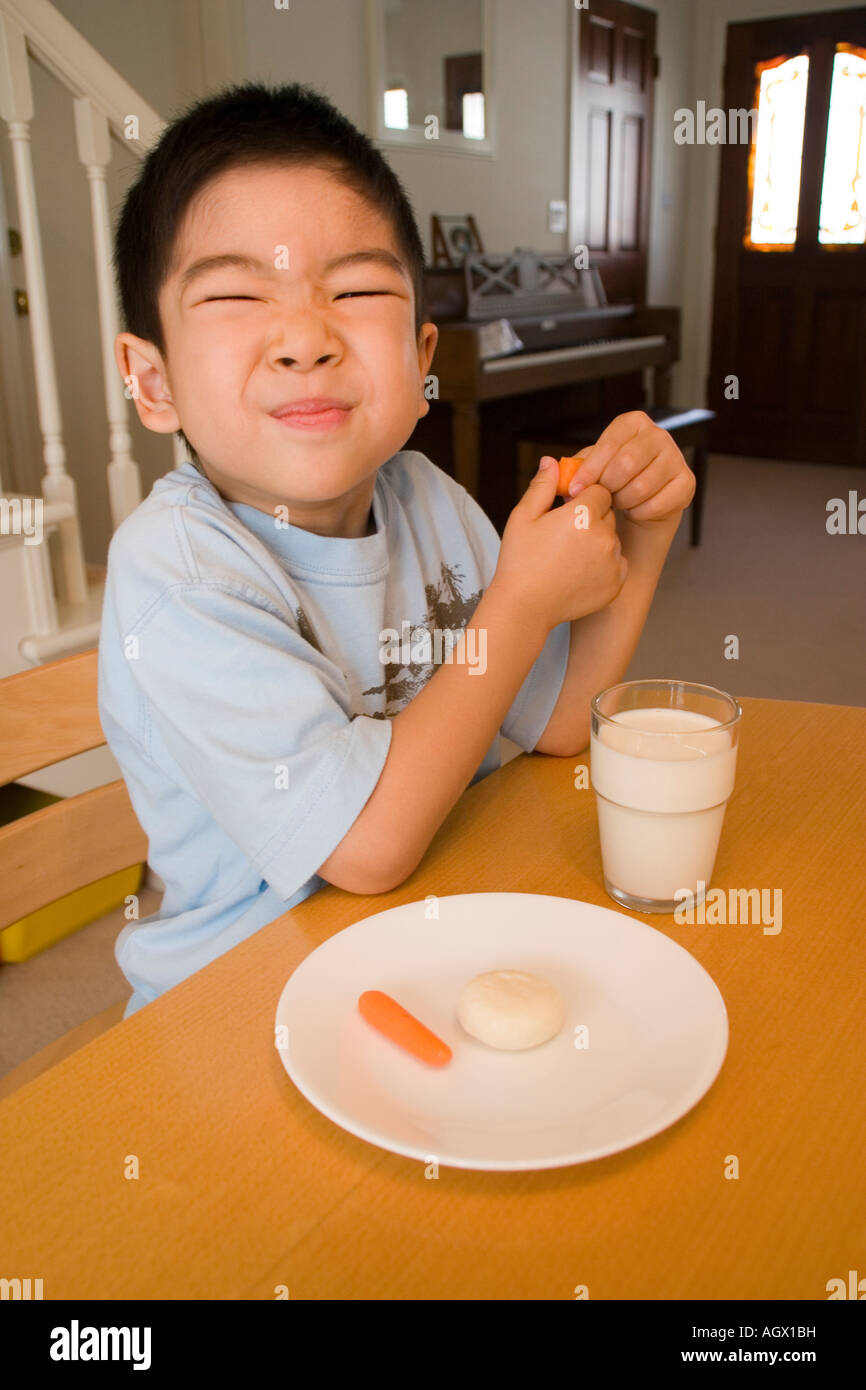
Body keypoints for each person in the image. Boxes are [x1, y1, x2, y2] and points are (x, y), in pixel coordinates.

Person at [100, 81, 695, 1017]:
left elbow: (561, 721)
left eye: (356, 289)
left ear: (423, 362)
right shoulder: (178, 574)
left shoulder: (426, 498)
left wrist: (648, 532)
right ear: (153, 380)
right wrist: (522, 603)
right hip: (237, 1002)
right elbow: (367, 849)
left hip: (423, 946)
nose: (305, 337)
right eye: (237, 294)